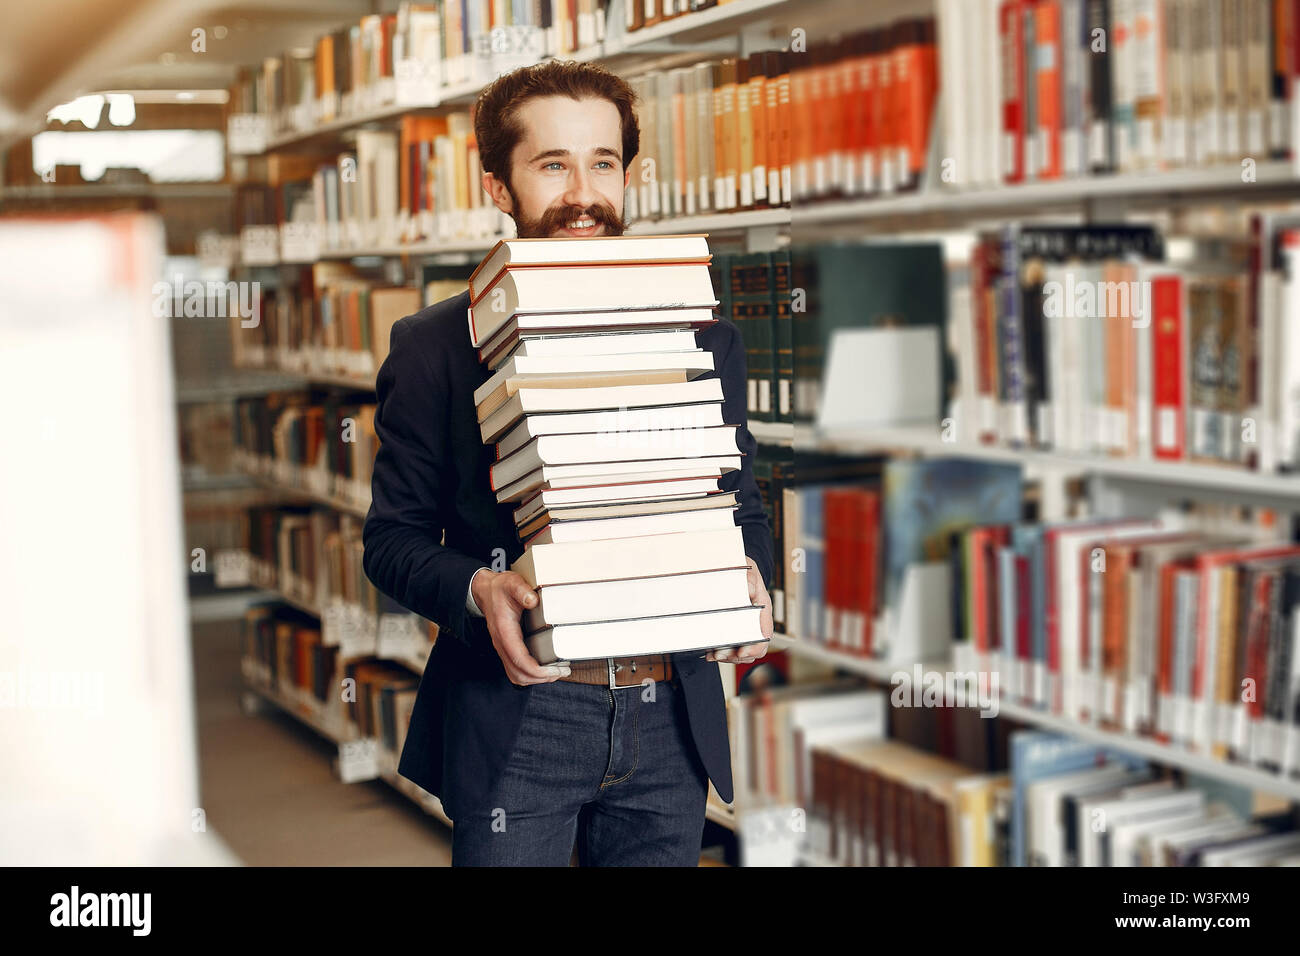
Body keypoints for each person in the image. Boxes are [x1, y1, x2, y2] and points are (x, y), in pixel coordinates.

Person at [362, 59, 774, 867]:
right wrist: (479, 589)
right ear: (497, 187)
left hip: (669, 719)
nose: (583, 193)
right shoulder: (434, 349)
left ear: (629, 174)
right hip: (523, 715)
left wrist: (753, 574)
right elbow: (392, 541)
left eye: (603, 163)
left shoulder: (704, 336)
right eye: (553, 165)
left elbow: (742, 506)